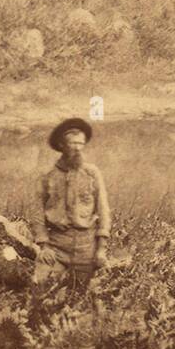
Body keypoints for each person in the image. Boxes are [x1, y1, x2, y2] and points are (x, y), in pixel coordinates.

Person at [33, 117, 111, 293]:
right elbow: (37, 212)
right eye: (72, 143)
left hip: (87, 248)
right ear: (61, 145)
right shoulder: (47, 176)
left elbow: (103, 210)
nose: (77, 148)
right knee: (41, 289)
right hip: (57, 246)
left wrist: (101, 249)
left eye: (81, 144)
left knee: (83, 296)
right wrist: (44, 246)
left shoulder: (92, 173)